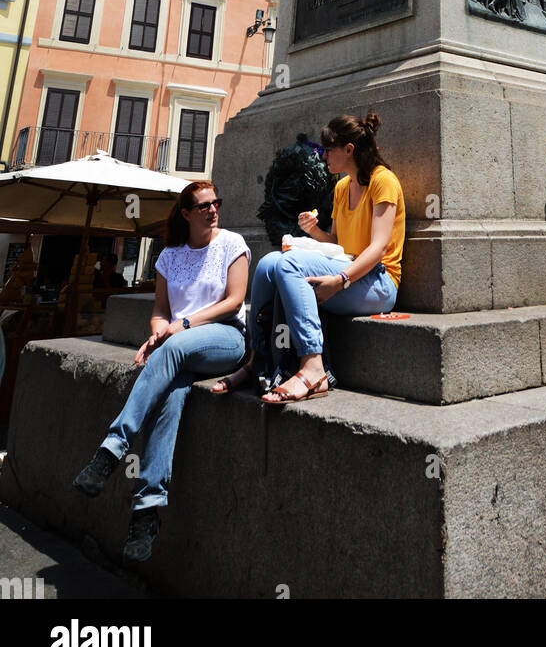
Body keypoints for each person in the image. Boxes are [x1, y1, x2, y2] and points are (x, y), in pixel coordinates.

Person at [72, 181, 249, 563]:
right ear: (186, 214)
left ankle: (112, 449)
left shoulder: (232, 244)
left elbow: (234, 301)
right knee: (171, 395)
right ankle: (147, 511)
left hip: (225, 340)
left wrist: (179, 328)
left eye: (216, 202)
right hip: (179, 350)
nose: (213, 210)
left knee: (173, 351)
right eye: (203, 206)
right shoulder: (169, 256)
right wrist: (158, 330)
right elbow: (160, 311)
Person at [216, 112, 404, 404]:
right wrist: (314, 230)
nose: (324, 155)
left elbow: (378, 247)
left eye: (329, 149)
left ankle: (313, 365)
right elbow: (338, 245)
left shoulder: (384, 181)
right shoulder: (342, 187)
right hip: (349, 271)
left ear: (349, 150)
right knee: (268, 263)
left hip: (378, 283)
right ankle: (258, 361)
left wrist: (339, 281)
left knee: (288, 263)